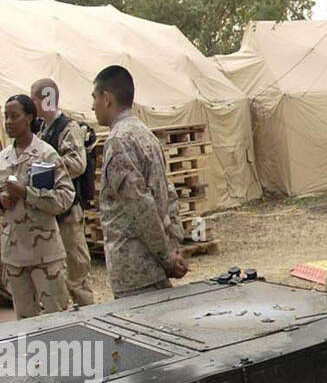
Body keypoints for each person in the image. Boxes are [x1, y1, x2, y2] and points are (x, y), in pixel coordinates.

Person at [91, 66, 188, 298]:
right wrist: (172, 249)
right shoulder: (145, 134)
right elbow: (168, 194)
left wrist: (167, 258)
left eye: (94, 98)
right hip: (152, 265)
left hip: (135, 270)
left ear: (107, 99)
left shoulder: (119, 141)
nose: (92, 106)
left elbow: (140, 206)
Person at [0, 94, 74, 318]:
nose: (9, 122)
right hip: (15, 254)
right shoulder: (3, 158)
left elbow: (65, 197)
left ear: (29, 118)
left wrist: (26, 192)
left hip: (45, 254)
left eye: (15, 116)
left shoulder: (46, 154)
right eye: (6, 117)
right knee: (25, 323)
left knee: (57, 320)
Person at [31, 78, 95, 307]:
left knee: (77, 273)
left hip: (68, 212)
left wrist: (49, 165)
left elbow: (78, 163)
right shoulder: (41, 129)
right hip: (51, 210)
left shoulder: (67, 128)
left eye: (35, 99)